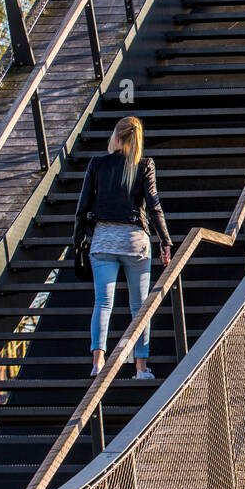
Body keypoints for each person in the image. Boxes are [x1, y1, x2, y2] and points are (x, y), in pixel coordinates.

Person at [73, 116, 172, 380]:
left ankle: (98, 362)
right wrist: (165, 241)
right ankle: (140, 368)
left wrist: (78, 241)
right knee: (140, 307)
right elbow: (154, 206)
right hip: (135, 243)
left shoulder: (97, 164)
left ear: (116, 137)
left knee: (103, 303)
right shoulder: (145, 165)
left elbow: (82, 208)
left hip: (104, 241)